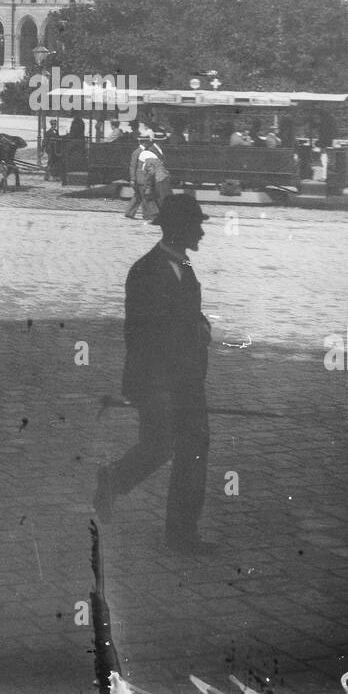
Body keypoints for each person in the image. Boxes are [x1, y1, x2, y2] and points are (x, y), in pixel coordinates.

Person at [94, 193, 215, 555]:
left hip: (187, 379)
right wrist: (158, 386)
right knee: (159, 446)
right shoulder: (145, 271)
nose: (202, 234)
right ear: (179, 229)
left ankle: (181, 535)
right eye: (197, 226)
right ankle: (112, 481)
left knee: (194, 447)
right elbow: (141, 334)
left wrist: (202, 327)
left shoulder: (186, 269)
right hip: (157, 379)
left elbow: (189, 315)